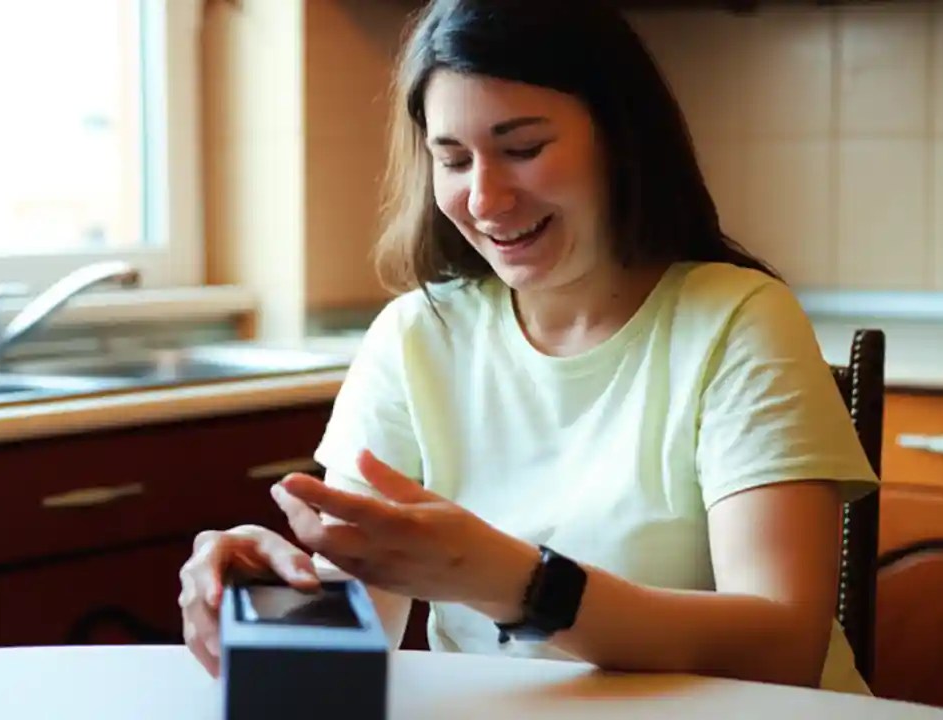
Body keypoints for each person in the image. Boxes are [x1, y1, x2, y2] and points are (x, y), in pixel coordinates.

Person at [178, 0, 878, 695]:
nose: (485, 198)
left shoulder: (737, 319)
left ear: (621, 137)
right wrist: (279, 589)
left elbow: (784, 650)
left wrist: (518, 583)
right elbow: (365, 615)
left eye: (523, 150)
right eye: (452, 160)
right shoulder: (417, 335)